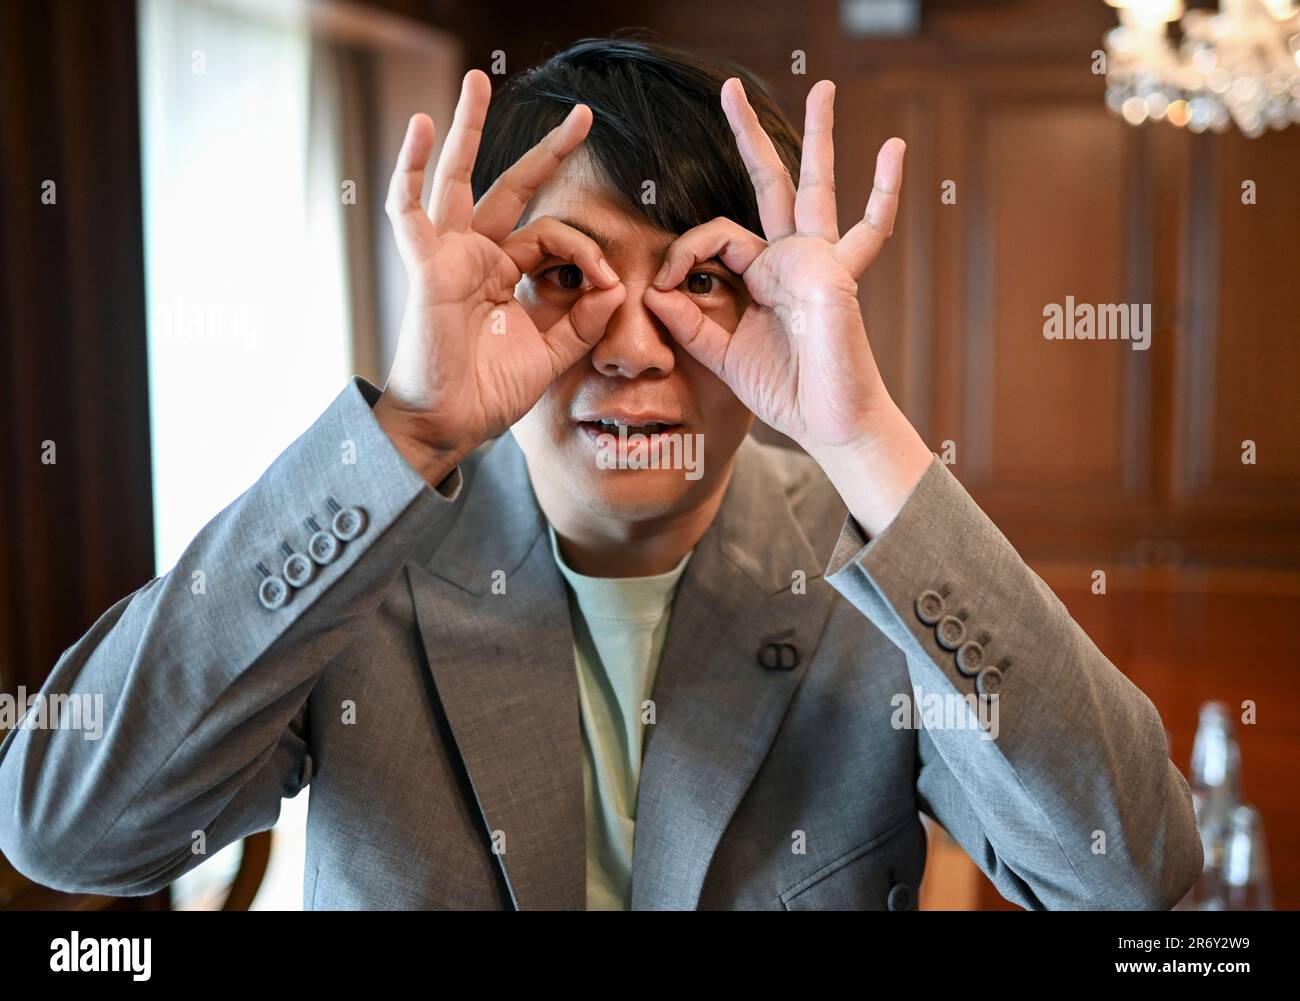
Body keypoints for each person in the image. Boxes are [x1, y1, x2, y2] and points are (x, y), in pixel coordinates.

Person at [0, 37, 1201, 910]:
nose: (632, 346)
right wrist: (411, 430)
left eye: (702, 281)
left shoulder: (869, 573)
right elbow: (67, 827)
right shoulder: (369, 564)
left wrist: (861, 431)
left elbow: (1132, 875)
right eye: (566, 276)